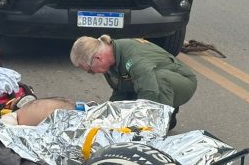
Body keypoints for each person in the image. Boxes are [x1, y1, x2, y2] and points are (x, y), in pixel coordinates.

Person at [69, 35, 197, 128]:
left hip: (182, 82)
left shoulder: (133, 57)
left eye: (90, 70)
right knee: (125, 112)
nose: (92, 73)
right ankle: (167, 114)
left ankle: (160, 124)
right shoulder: (109, 66)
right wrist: (106, 117)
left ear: (98, 58)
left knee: (156, 80)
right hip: (152, 86)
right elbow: (120, 92)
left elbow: (149, 92)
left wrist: (143, 126)